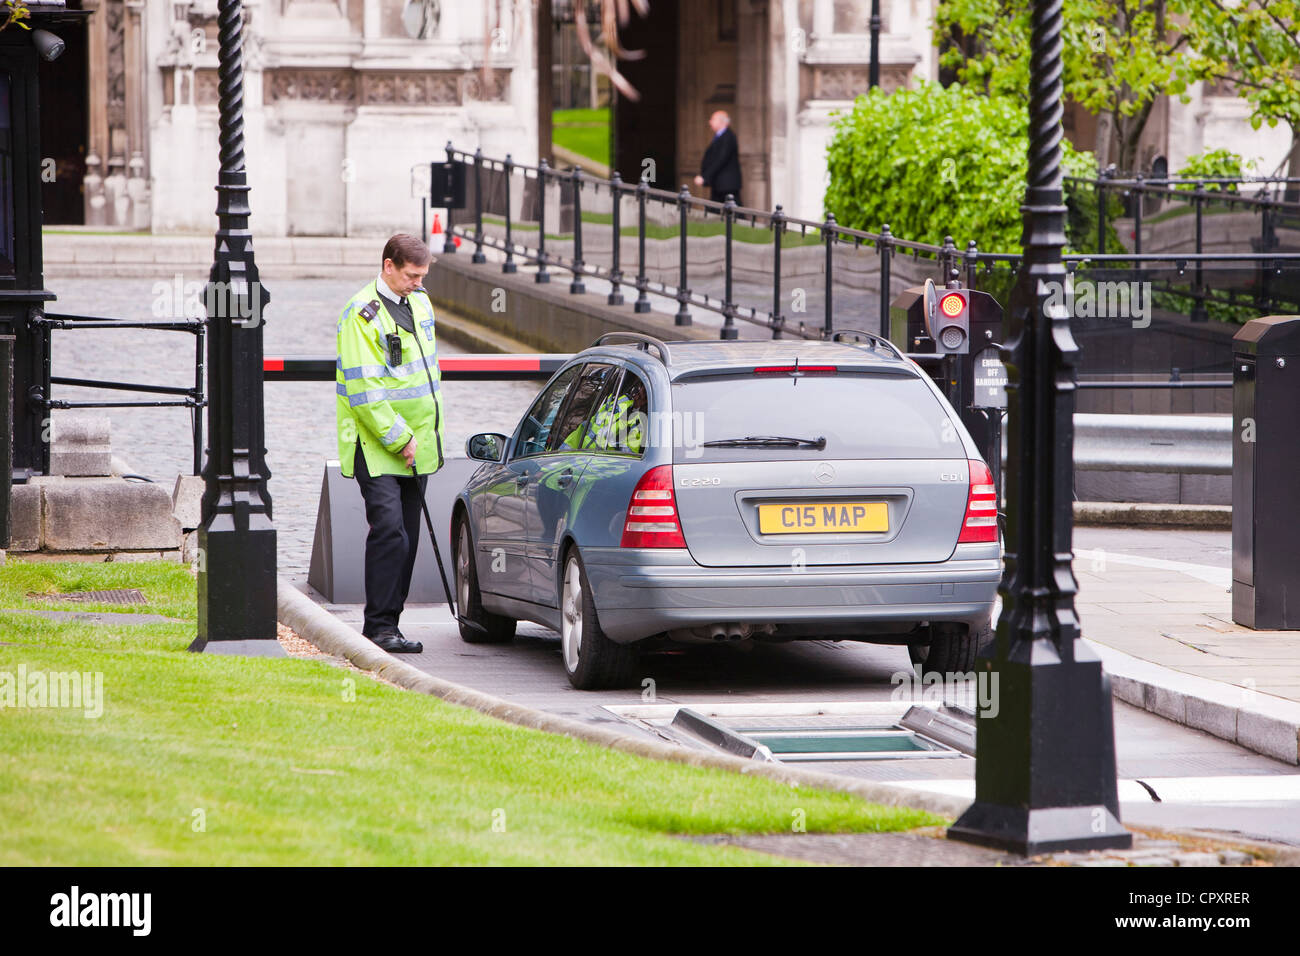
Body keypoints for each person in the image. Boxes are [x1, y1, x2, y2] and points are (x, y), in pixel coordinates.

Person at [336, 234, 445, 653]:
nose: (417, 283)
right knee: (390, 532)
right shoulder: (361, 315)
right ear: (388, 267)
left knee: (409, 537)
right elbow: (365, 388)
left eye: (422, 276)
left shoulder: (420, 302)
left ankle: (391, 626)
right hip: (378, 444)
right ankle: (378, 628)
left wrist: (421, 438)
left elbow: (424, 374)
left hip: (420, 444)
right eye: (411, 276)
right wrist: (400, 438)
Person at [694, 110, 742, 206]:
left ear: (722, 121)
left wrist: (705, 177)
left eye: (713, 119)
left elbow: (721, 159)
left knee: (734, 212)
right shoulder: (720, 136)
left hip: (727, 184)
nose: (710, 122)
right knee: (717, 210)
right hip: (720, 183)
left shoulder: (728, 136)